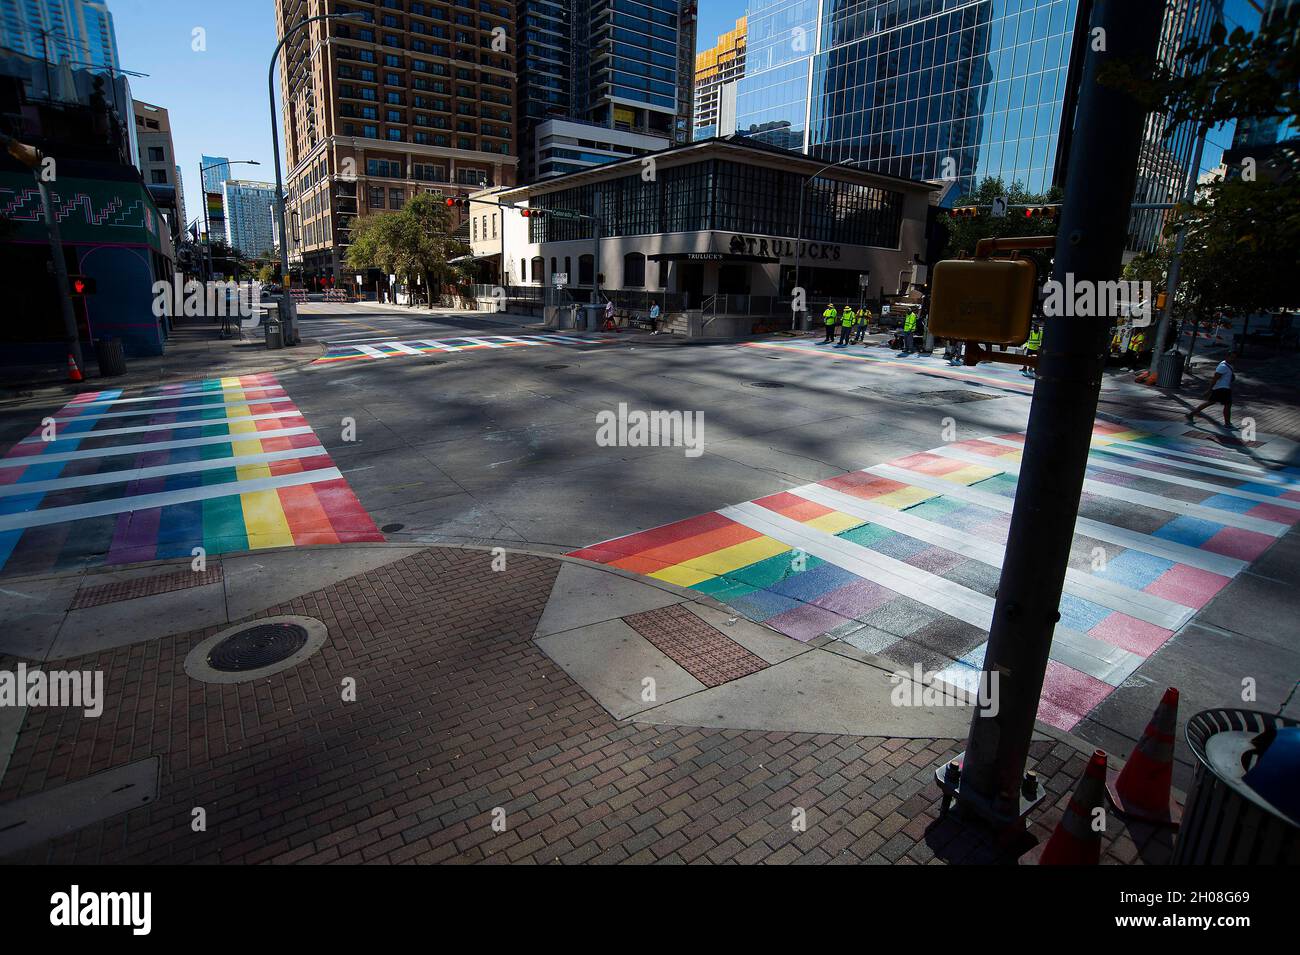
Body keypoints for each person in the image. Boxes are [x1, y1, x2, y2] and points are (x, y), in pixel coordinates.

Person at [1186, 351, 1238, 429]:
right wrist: (1209, 390)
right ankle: (1227, 424)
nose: (1233, 359)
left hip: (1222, 388)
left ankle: (1191, 414)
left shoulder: (1228, 365)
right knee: (1227, 404)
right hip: (1222, 388)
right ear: (1227, 356)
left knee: (1211, 402)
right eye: (1231, 357)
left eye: (1234, 358)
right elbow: (1215, 378)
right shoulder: (1223, 366)